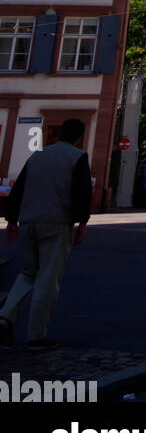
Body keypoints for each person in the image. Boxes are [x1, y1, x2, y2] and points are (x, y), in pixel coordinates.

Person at [0, 119, 92, 349]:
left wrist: (11, 219)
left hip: (28, 220)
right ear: (79, 137)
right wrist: (82, 223)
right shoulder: (77, 157)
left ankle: (4, 316)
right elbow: (82, 192)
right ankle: (36, 335)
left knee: (28, 272)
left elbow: (19, 187)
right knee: (47, 279)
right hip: (56, 222)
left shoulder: (37, 156)